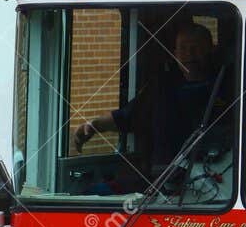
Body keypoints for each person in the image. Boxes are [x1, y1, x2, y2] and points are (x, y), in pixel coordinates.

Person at [73, 21, 228, 169]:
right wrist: (93, 126)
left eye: (196, 47)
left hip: (217, 178)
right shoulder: (162, 88)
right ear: (174, 53)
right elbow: (127, 117)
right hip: (166, 180)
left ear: (211, 49)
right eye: (183, 48)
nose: (189, 54)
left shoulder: (228, 87)